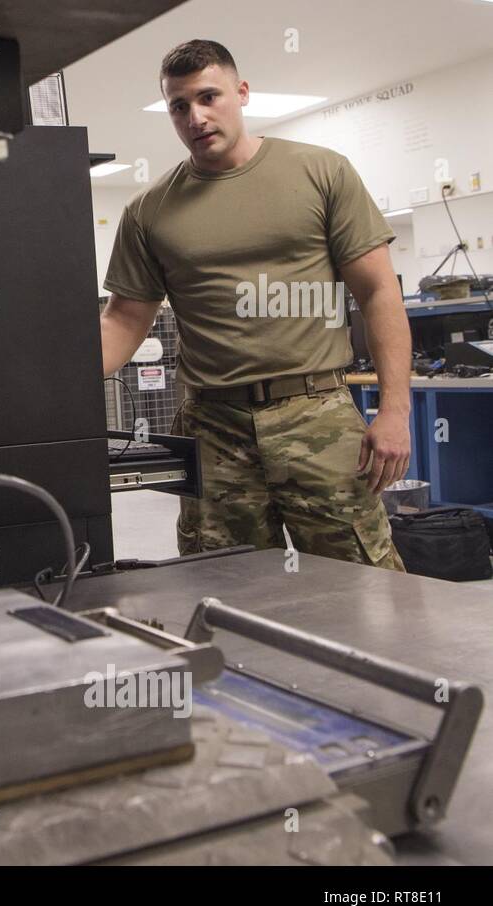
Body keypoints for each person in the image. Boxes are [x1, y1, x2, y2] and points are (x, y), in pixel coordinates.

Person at [100, 39, 411, 570]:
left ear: (241, 93)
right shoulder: (148, 210)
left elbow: (379, 291)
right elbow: (125, 319)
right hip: (212, 427)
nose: (195, 116)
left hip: (317, 414)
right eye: (179, 105)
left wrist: (395, 410)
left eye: (208, 97)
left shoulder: (321, 172)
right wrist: (52, 388)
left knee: (363, 583)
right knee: (226, 586)